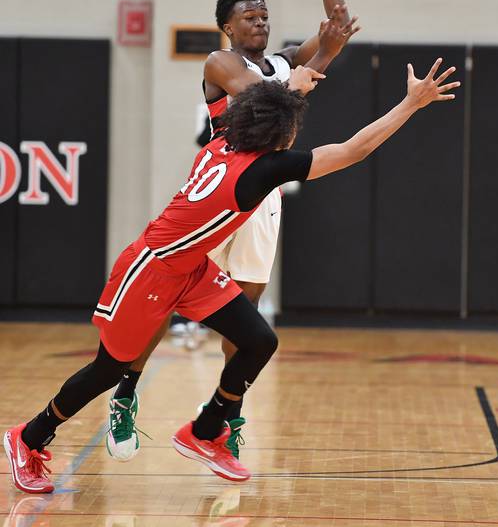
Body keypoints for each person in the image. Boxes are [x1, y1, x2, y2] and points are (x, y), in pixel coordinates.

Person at [3, 57, 460, 494]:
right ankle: (29, 437)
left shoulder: (226, 135)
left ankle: (204, 430)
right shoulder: (262, 171)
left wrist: (293, 88)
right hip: (149, 271)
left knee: (259, 339)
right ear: (280, 134)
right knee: (108, 368)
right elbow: (352, 150)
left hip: (190, 267)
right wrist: (410, 104)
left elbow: (258, 104)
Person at [106, 0, 360, 463]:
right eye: (249, 15)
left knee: (245, 315)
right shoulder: (219, 63)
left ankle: (225, 416)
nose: (260, 21)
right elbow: (259, 98)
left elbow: (337, 22)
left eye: (264, 14)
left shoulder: (285, 63)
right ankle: (125, 392)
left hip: (262, 200)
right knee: (162, 299)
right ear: (229, 26)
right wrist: (302, 80)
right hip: (218, 193)